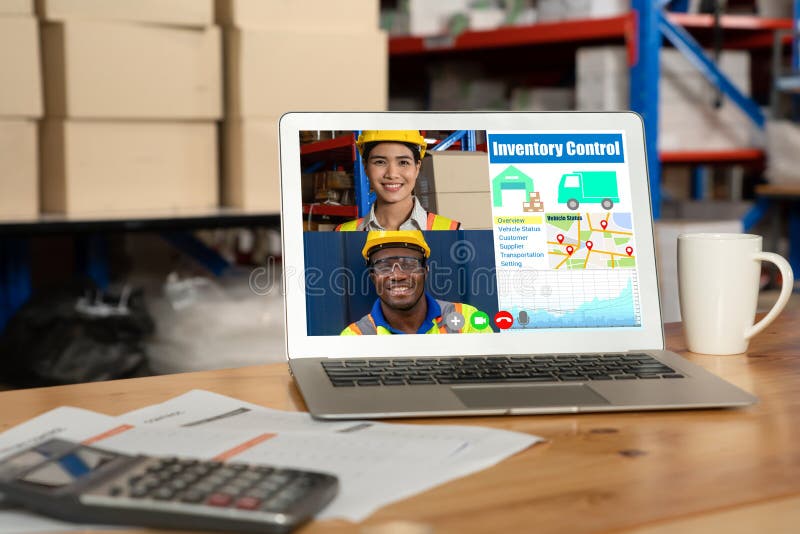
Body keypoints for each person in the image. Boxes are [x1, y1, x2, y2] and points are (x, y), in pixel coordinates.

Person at [341, 230, 490, 335]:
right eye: (384, 266)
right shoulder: (355, 336)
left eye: (409, 264)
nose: (398, 275)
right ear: (373, 277)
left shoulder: (468, 318)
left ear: (425, 271)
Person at [335, 130, 461, 231]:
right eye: (380, 162)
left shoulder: (453, 231)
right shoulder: (343, 234)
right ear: (365, 167)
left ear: (417, 168)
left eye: (403, 162)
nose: (392, 174)